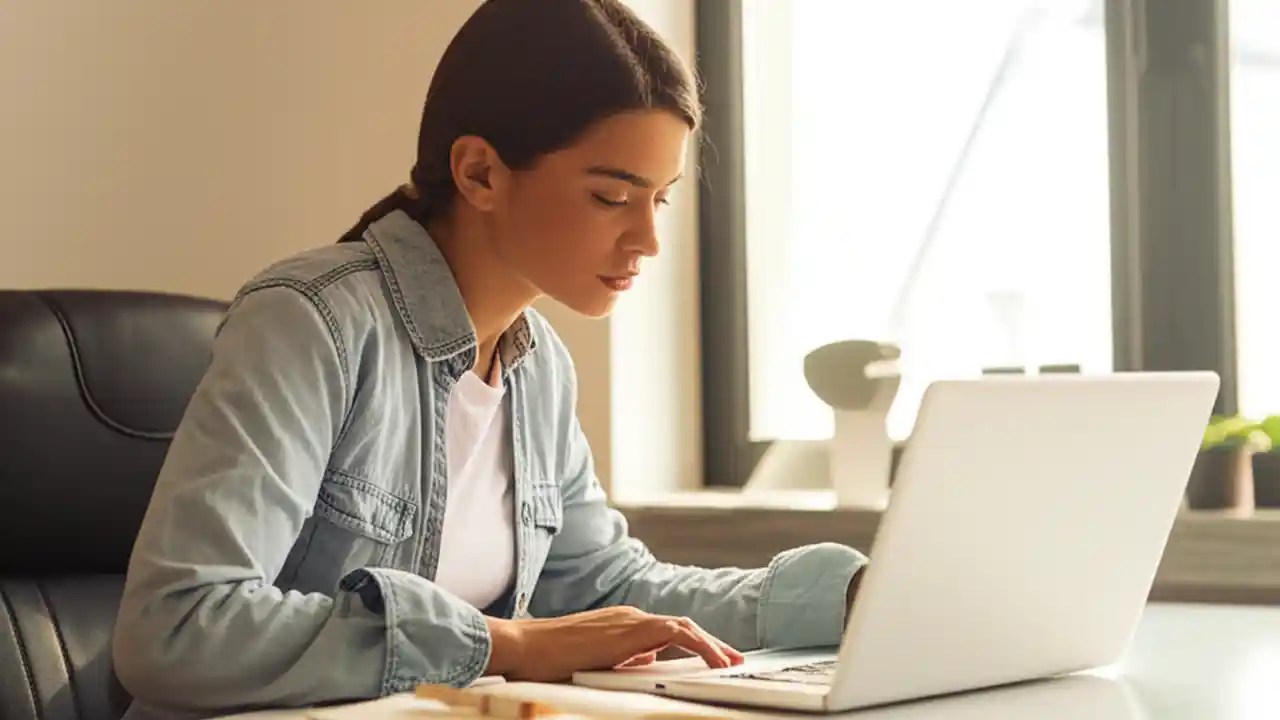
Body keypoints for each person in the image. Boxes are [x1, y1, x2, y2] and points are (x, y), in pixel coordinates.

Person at [112, 1, 868, 717]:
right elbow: (177, 629)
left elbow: (606, 586)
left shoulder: (538, 368)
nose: (648, 241)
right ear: (479, 172)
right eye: (612, 198)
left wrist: (855, 598)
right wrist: (502, 645)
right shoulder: (311, 324)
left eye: (659, 200)